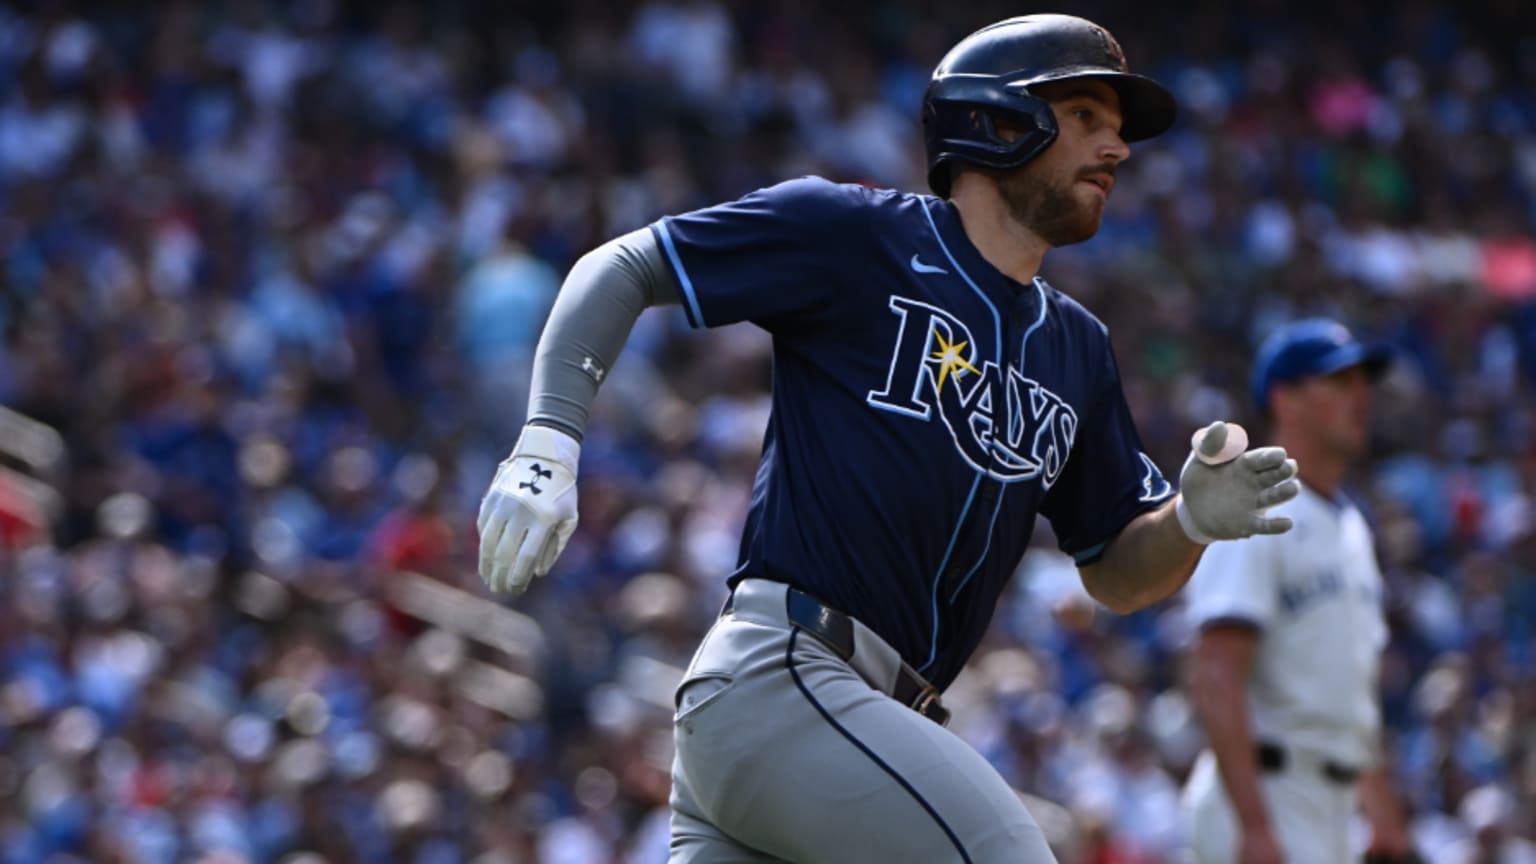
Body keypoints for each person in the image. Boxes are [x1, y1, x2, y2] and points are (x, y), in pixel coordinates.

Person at [477, 14, 1301, 863]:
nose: (1118, 149)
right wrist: (548, 440)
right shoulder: (856, 234)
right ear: (996, 119)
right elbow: (624, 266)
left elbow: (1116, 571)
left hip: (852, 735)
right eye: (1088, 116)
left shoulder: (1078, 348)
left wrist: (1190, 522)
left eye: (1118, 130)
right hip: (789, 679)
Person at [1180, 317, 1416, 863]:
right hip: (1268, 792)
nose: (1360, 398)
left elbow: (1349, 690)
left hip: (1329, 805)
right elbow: (1217, 672)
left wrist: (1381, 809)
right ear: (1285, 400)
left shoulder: (1352, 526)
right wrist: (1255, 826)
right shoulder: (1255, 507)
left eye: (1363, 384)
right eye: (1337, 383)